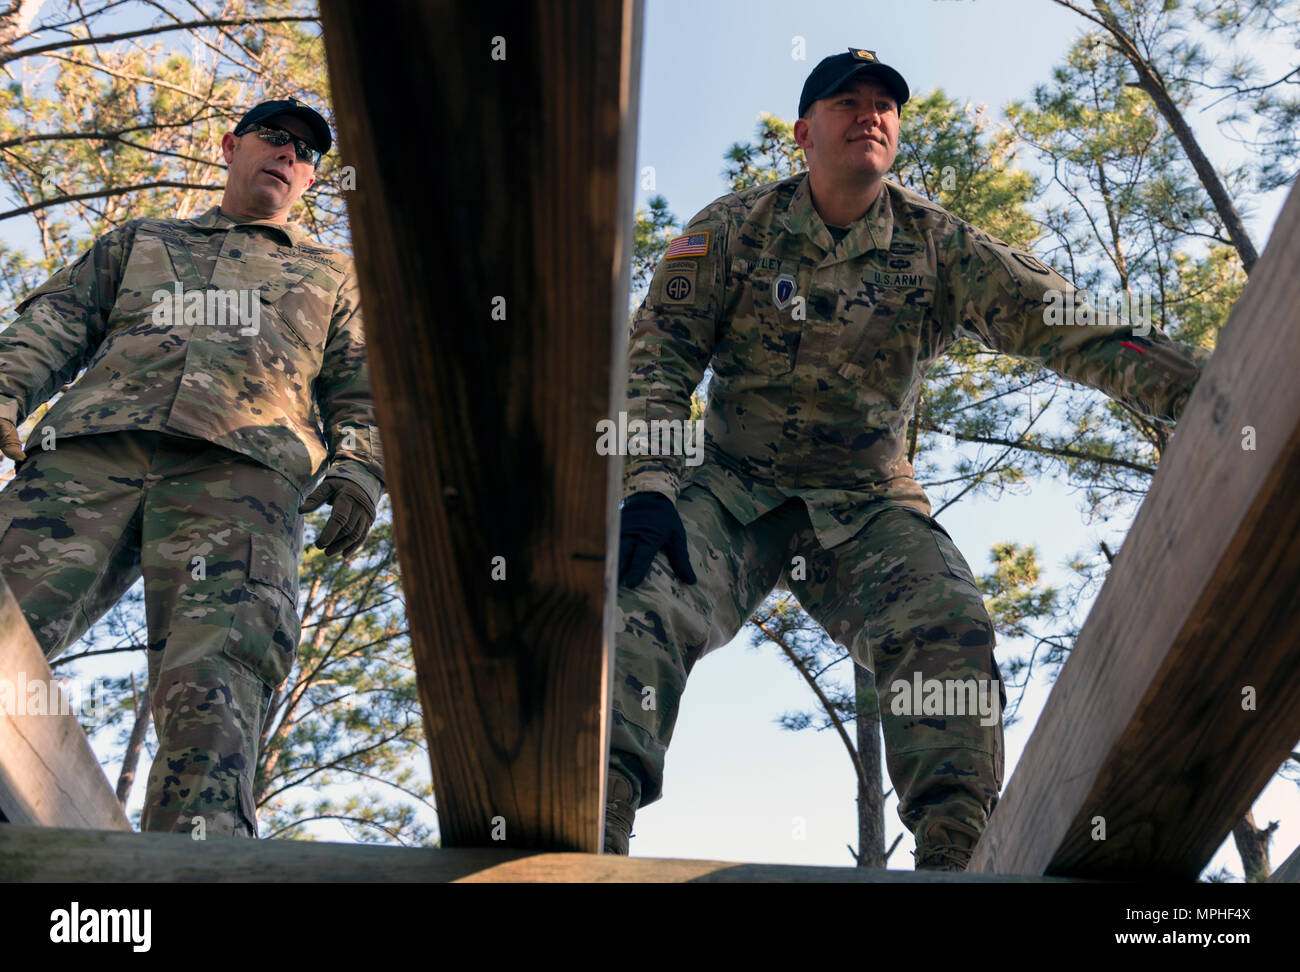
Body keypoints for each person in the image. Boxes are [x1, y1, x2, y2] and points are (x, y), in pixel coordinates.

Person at [608, 49, 1207, 869]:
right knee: (635, 598)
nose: (871, 115)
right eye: (847, 101)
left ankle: (956, 862)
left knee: (948, 625)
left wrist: (1213, 394)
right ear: (803, 132)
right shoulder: (729, 230)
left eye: (885, 105)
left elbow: (1069, 323)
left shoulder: (937, 244)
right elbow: (658, 361)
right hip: (732, 490)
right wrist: (648, 484)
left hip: (867, 504)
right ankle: (590, 834)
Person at [0, 98, 385, 838]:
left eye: (307, 154)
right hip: (88, 458)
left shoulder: (333, 275)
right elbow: (55, 322)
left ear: (309, 180)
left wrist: (361, 469)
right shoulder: (143, 241)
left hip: (242, 486)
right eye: (274, 138)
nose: (289, 155)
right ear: (229, 146)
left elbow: (364, 385)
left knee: (219, 681)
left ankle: (197, 867)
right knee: (7, 612)